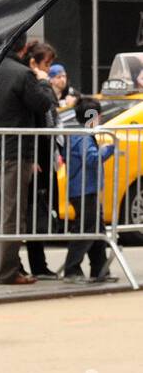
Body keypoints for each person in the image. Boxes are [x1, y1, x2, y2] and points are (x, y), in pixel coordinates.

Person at [0, 33, 59, 285]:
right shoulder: (23, 75)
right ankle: (9, 272)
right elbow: (44, 104)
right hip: (15, 151)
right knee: (13, 214)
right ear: (23, 50)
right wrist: (43, 81)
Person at [62, 97, 119, 283]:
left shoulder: (80, 134)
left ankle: (99, 269)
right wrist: (109, 149)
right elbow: (92, 159)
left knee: (97, 228)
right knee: (87, 228)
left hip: (85, 188)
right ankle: (72, 269)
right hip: (84, 189)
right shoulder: (83, 135)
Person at [20, 40, 60, 280]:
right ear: (34, 62)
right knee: (32, 211)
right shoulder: (33, 83)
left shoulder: (38, 82)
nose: (49, 69)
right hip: (36, 157)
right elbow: (42, 109)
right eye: (47, 63)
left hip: (46, 156)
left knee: (40, 210)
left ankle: (39, 263)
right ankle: (36, 263)